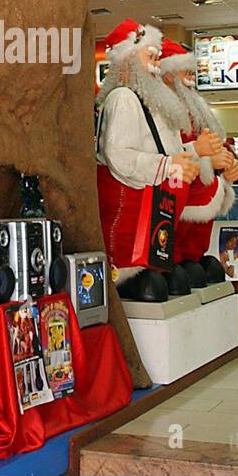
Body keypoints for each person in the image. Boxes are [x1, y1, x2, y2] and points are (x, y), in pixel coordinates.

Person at [95, 20, 214, 298]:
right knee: (139, 268)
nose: (157, 64)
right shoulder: (123, 98)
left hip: (149, 205)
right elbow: (118, 155)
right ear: (127, 59)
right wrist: (168, 165)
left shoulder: (147, 100)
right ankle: (126, 274)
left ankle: (149, 268)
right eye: (151, 56)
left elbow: (164, 148)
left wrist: (191, 153)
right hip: (127, 205)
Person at [158, 39, 238, 262]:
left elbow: (212, 144)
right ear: (168, 74)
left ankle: (193, 258)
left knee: (196, 235)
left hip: (202, 187)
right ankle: (172, 261)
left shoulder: (195, 110)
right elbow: (165, 151)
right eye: (187, 72)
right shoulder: (161, 111)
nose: (192, 78)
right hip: (177, 188)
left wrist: (227, 165)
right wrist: (207, 160)